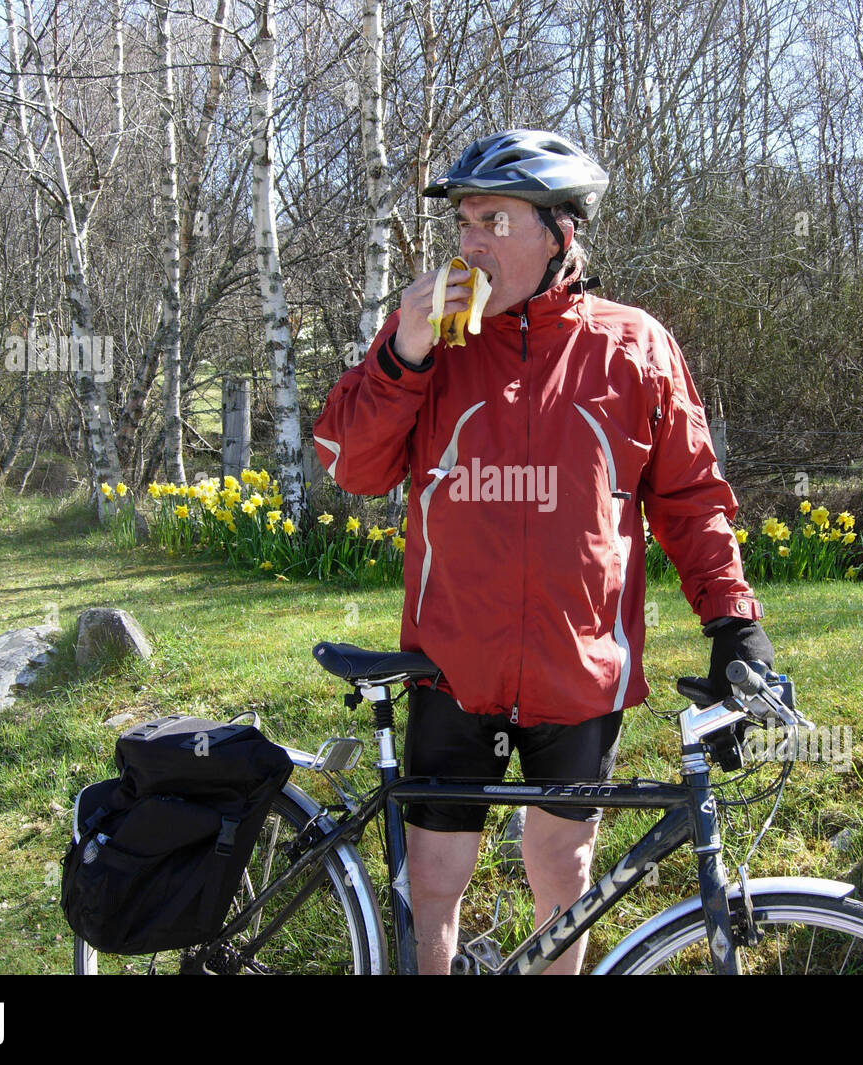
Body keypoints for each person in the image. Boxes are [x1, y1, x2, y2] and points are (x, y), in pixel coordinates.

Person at [312, 129, 774, 974]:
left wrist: (732, 618)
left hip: (579, 668)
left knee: (564, 875)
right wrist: (402, 351)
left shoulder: (635, 346)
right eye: (463, 224)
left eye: (494, 219)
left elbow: (692, 497)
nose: (470, 242)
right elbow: (352, 465)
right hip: (453, 663)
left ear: (561, 232)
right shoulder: (431, 339)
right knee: (433, 879)